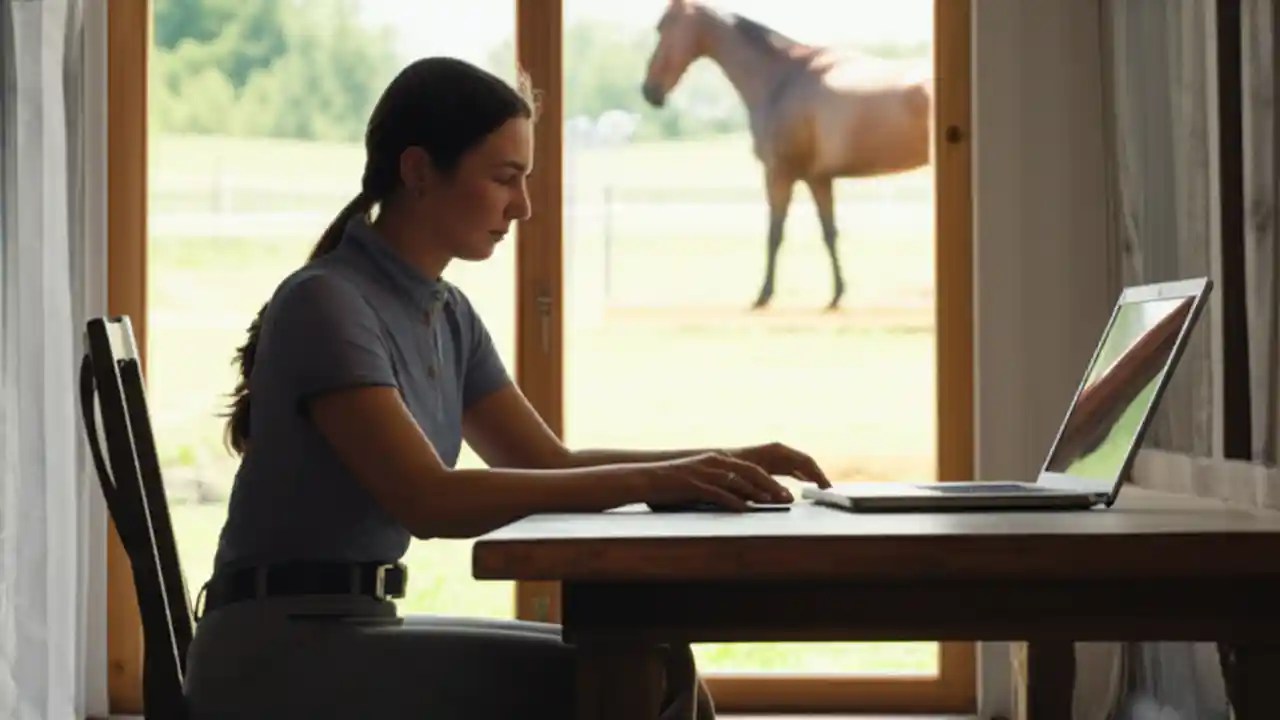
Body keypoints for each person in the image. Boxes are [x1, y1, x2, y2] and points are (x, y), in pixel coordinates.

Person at [183, 56, 833, 720]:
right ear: (417, 172)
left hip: (348, 631)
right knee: (631, 681)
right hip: (275, 661)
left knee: (659, 661)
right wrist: (657, 480)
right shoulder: (327, 303)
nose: (521, 206)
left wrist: (711, 466)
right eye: (504, 179)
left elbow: (546, 463)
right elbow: (430, 501)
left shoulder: (447, 312)